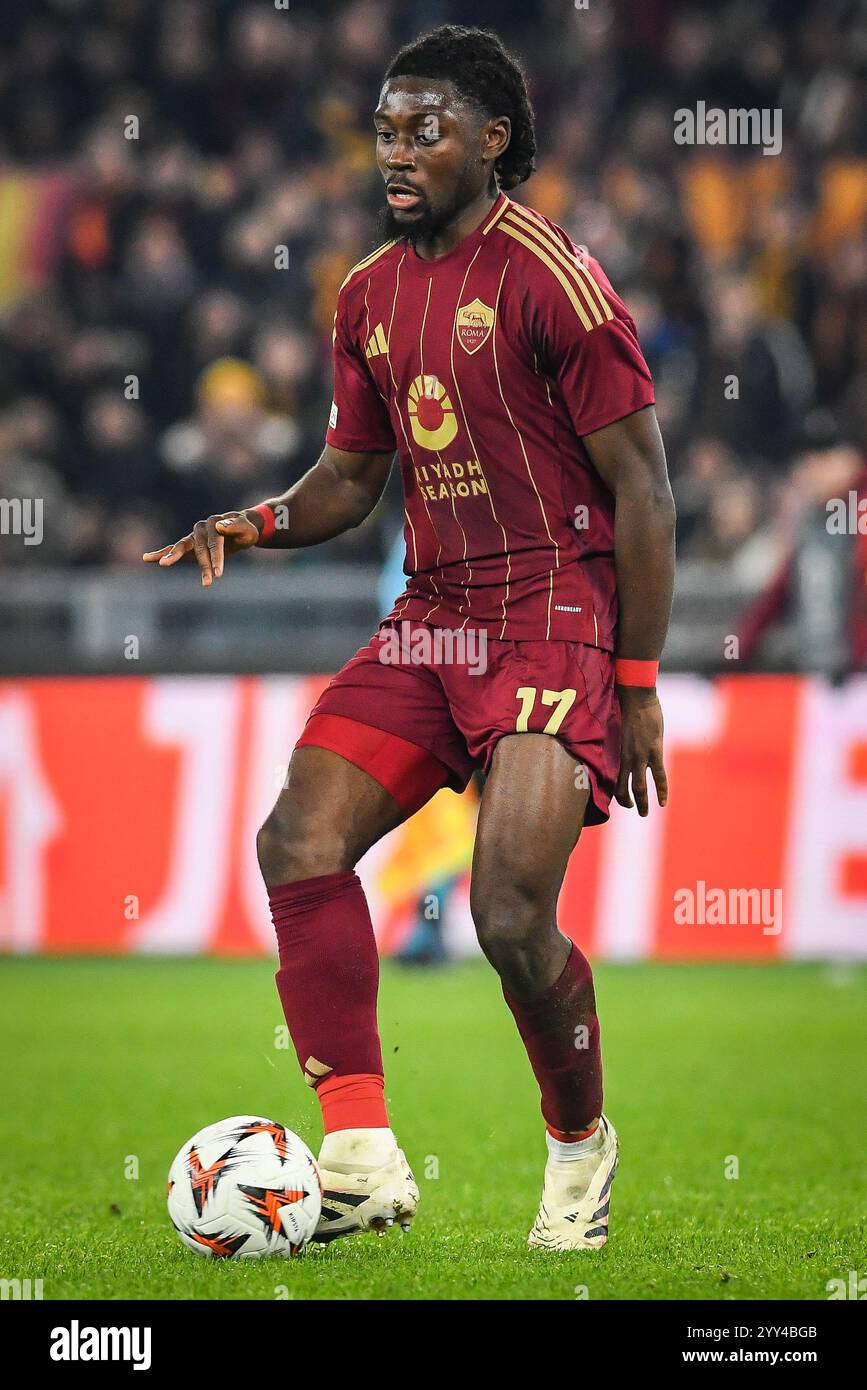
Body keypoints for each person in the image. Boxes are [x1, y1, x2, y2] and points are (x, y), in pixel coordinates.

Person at [144, 24, 675, 1251]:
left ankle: (579, 1144)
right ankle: (363, 1155)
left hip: (554, 616)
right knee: (298, 838)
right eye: (386, 129)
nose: (397, 150)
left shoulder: (556, 279)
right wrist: (257, 517)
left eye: (425, 128)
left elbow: (645, 490)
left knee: (508, 916)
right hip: (436, 615)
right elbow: (349, 480)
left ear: (493, 141)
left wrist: (635, 684)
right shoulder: (369, 294)